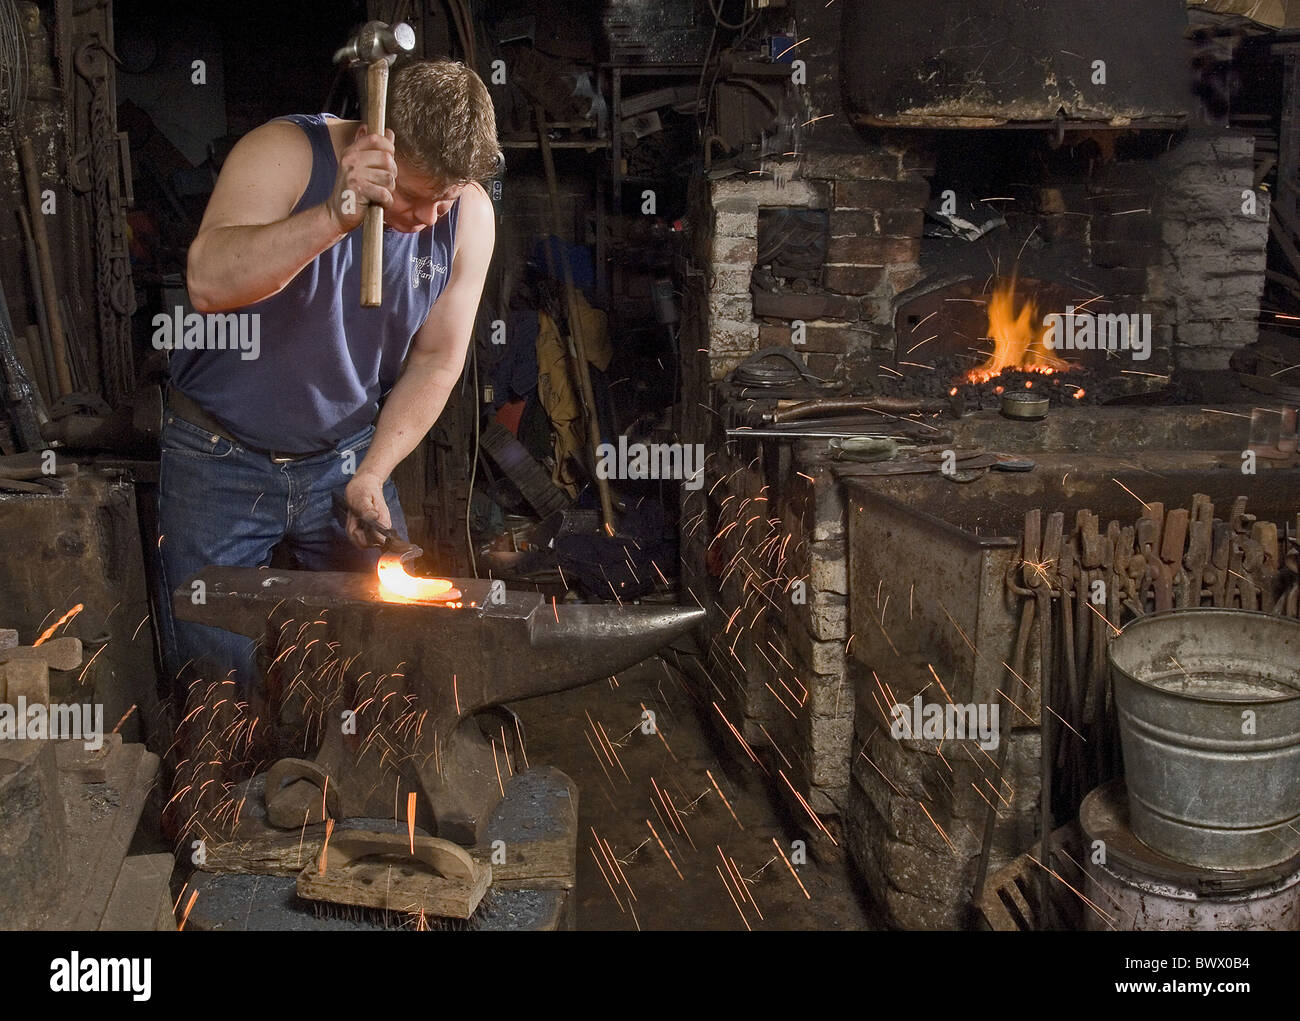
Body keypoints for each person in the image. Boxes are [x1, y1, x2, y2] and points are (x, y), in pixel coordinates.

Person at [158, 59, 499, 694]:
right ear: (375, 139)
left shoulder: (468, 217)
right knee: (217, 682)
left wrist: (373, 470)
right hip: (218, 456)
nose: (426, 218)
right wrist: (335, 215)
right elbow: (208, 282)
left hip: (343, 461)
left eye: (443, 198)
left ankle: (329, 791)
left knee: (380, 670)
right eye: (411, 194)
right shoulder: (284, 153)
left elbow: (436, 359)